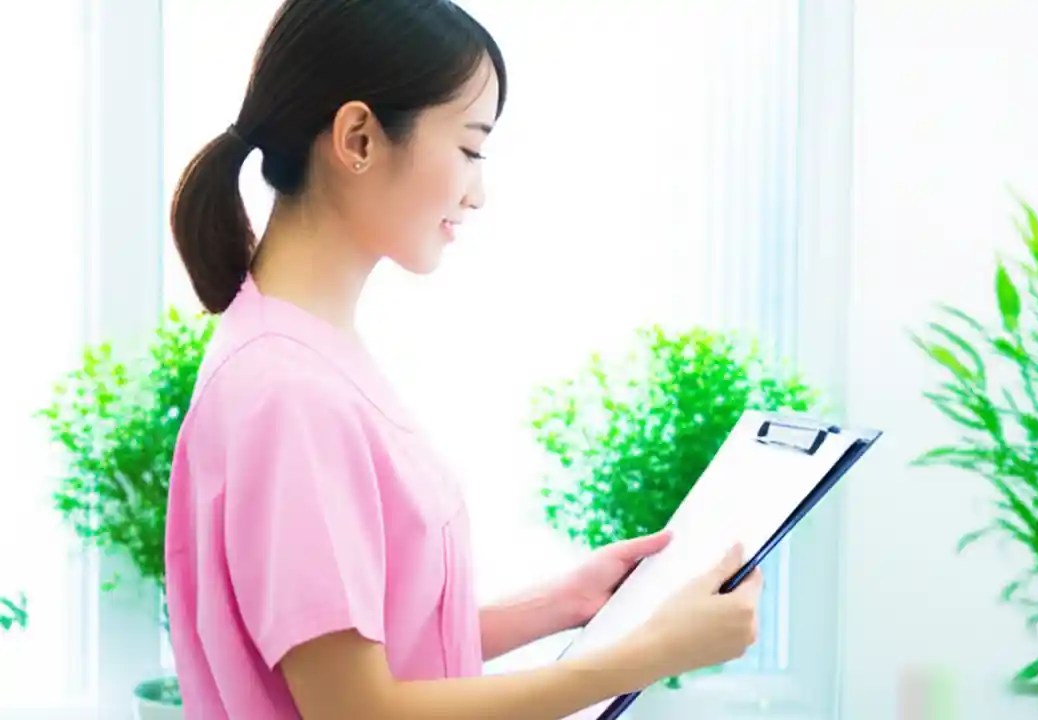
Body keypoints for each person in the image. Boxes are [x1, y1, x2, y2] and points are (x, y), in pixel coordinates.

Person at [162, 1, 765, 718]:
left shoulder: (298, 352)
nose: (477, 193)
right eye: (471, 149)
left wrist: (559, 604)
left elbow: (371, 654)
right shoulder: (287, 390)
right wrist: (645, 656)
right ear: (358, 138)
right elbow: (359, 710)